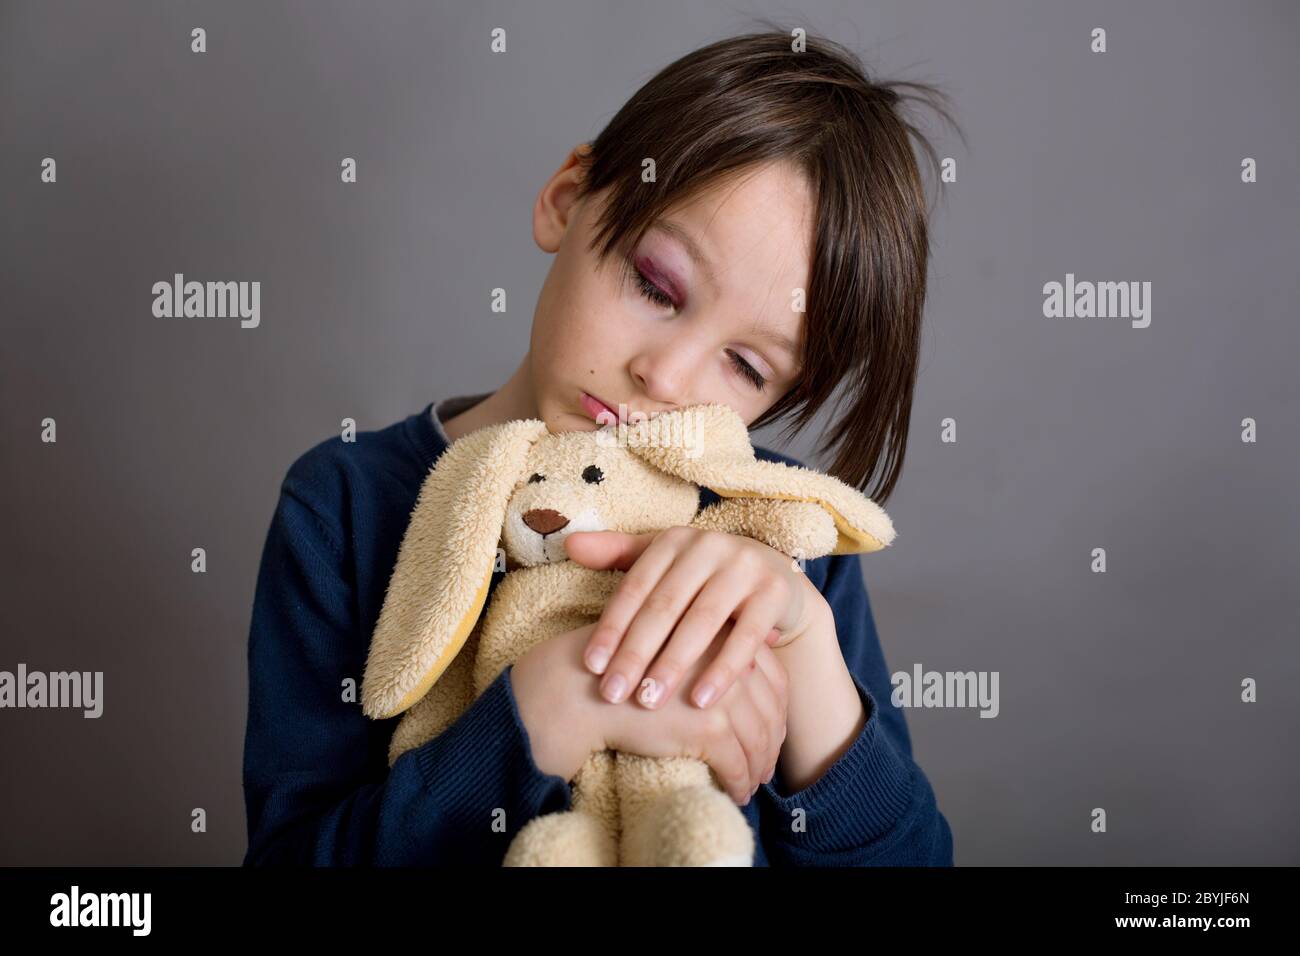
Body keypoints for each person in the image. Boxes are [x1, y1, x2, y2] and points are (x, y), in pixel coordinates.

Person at [242, 28, 959, 866]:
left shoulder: (786, 533)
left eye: (745, 364)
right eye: (656, 286)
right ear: (567, 196)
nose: (665, 376)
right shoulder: (344, 507)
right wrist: (545, 715)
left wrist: (807, 651)